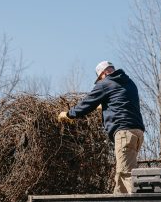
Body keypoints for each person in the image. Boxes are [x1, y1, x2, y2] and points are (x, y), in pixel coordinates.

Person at [58, 61, 145, 194]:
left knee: (125, 175)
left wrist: (69, 114)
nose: (100, 81)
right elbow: (122, 101)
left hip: (124, 133)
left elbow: (87, 104)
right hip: (137, 133)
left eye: (100, 78)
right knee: (122, 175)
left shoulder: (105, 83)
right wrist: (106, 105)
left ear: (104, 73)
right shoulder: (129, 82)